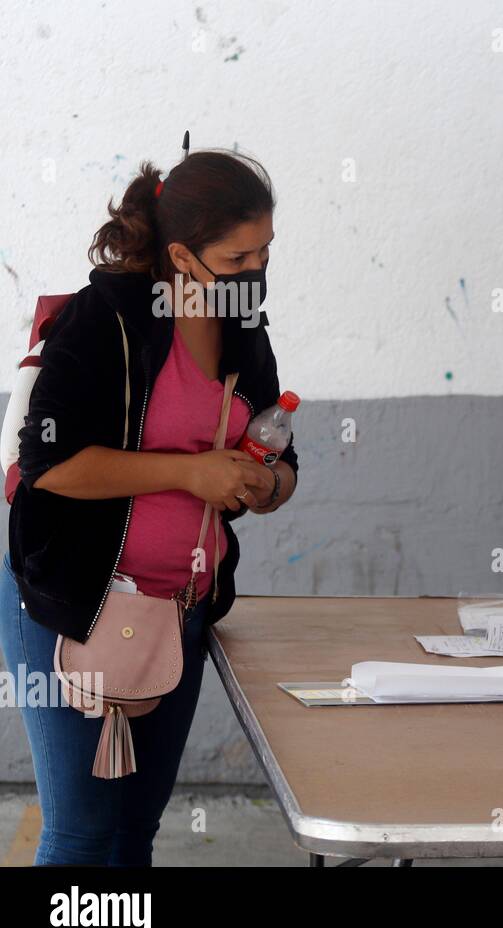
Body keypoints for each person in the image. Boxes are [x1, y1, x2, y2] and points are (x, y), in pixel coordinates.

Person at [0, 148, 299, 865]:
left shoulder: (241, 323)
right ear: (180, 255)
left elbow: (283, 460)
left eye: (265, 251)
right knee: (80, 836)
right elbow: (49, 468)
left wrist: (267, 486)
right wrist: (192, 474)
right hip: (76, 602)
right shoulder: (106, 319)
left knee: (134, 831)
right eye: (237, 256)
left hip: (178, 610)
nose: (254, 270)